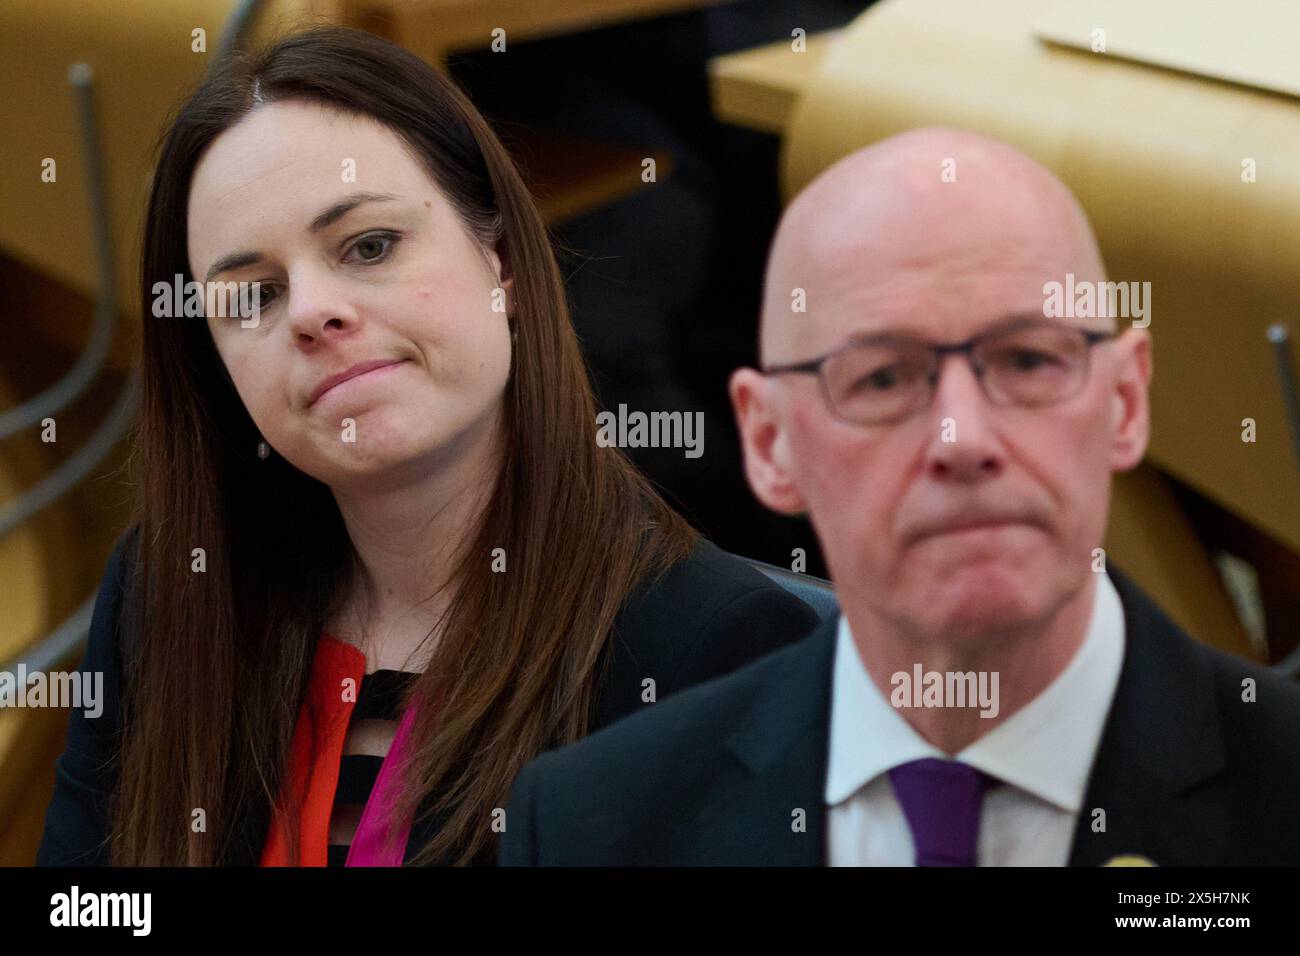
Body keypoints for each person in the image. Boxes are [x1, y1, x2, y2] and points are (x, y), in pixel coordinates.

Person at [35, 26, 820, 868]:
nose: (310, 312)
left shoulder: (709, 647)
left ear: (503, 256)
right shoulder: (164, 595)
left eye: (369, 246)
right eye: (253, 296)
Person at [498, 127, 1300, 866]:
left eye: (1026, 360)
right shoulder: (591, 827)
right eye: (882, 377)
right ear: (771, 441)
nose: (963, 440)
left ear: (1125, 402)